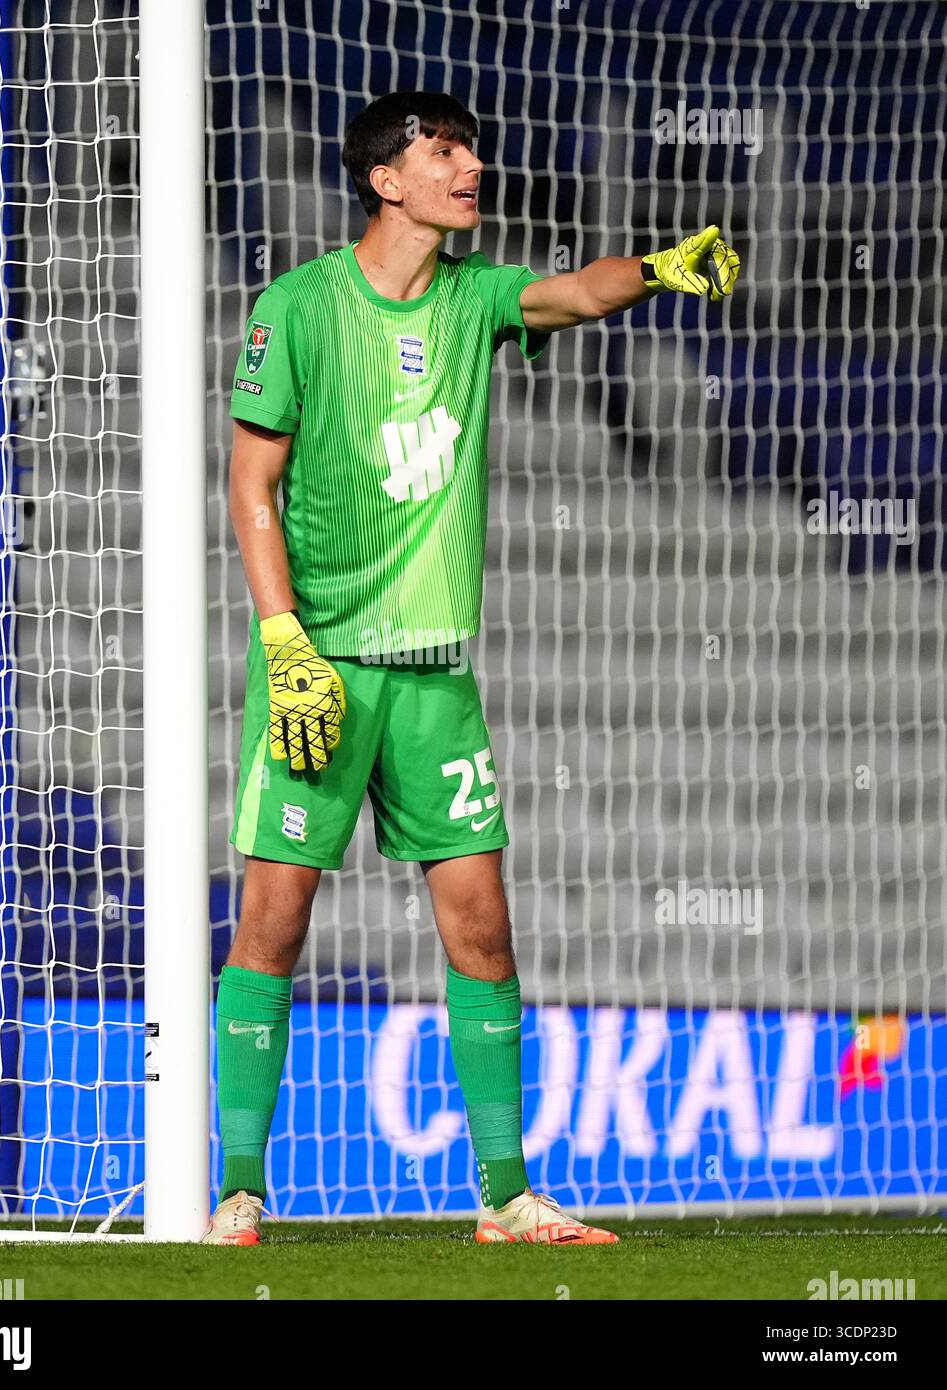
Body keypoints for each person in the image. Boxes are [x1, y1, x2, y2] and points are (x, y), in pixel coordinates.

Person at [204, 91, 740, 1246]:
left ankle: (505, 1194)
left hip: (435, 678)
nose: (469, 163)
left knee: (483, 928)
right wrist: (283, 639)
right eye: (440, 150)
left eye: (470, 147)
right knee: (273, 921)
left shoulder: (477, 296)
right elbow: (250, 487)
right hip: (324, 670)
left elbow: (572, 290)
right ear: (384, 180)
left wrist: (652, 266)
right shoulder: (295, 309)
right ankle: (238, 1187)